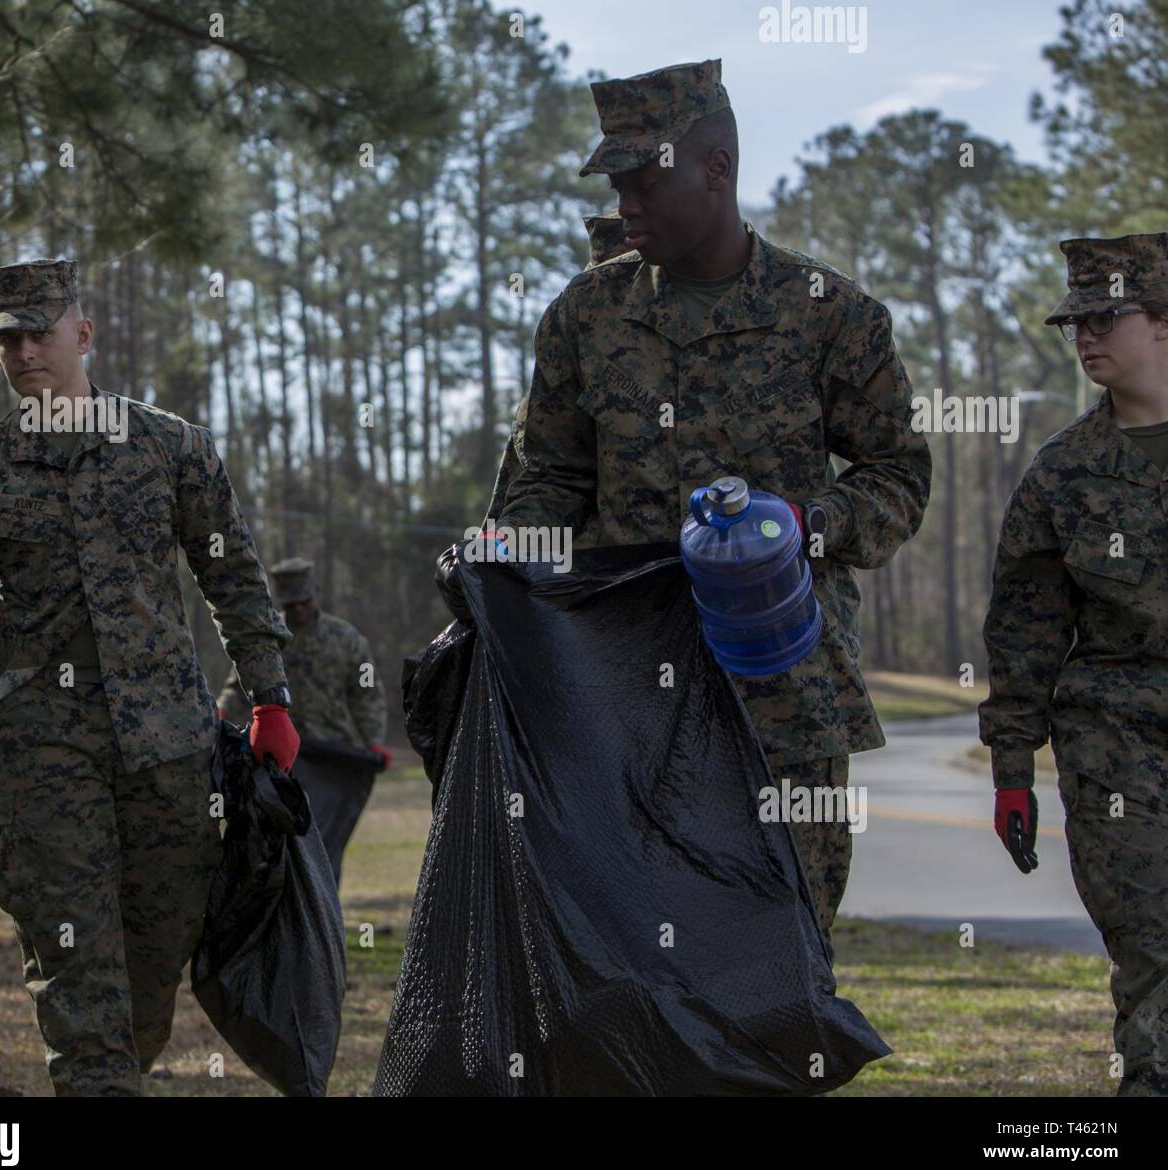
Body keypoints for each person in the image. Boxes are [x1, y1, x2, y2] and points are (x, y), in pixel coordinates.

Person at [440, 60, 930, 951]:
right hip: (623, 694)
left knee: (783, 958)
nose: (625, 204)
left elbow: (898, 477)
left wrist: (806, 523)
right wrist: (506, 545)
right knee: (633, 966)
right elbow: (551, 476)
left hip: (781, 684)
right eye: (614, 184)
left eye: (644, 180)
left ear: (717, 167)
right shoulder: (586, 315)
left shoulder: (831, 315)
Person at [0, 257, 299, 1096]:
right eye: (5, 339)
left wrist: (270, 697)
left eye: (37, 333)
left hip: (169, 749)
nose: (22, 352)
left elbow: (231, 575)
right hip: (45, 753)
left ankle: (116, 1064)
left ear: (82, 334)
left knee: (152, 972)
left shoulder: (171, 448)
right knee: (80, 977)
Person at [980, 232, 1168, 1097]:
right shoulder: (1064, 474)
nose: (1086, 336)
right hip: (1117, 750)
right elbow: (1023, 635)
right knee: (1154, 954)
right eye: (1074, 322)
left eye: (1106, 316)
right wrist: (1012, 772)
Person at [219, 557, 390, 883]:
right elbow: (239, 686)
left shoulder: (345, 638)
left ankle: (322, 919)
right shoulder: (269, 641)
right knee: (279, 845)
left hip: (331, 758)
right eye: (291, 604)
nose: (298, 610)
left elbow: (366, 692)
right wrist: (222, 710)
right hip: (282, 760)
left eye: (304, 602)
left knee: (324, 846)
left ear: (316, 594)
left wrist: (374, 741)